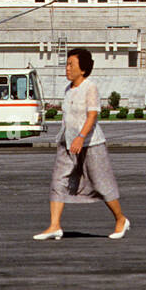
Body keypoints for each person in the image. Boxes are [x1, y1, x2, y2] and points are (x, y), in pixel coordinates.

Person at [34, 47, 130, 240]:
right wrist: (69, 138)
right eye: (67, 64)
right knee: (57, 181)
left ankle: (120, 219)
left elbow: (92, 114)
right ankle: (54, 226)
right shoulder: (68, 89)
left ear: (83, 69)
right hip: (67, 143)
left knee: (101, 183)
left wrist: (80, 136)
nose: (67, 68)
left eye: (71, 64)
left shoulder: (90, 87)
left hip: (91, 143)